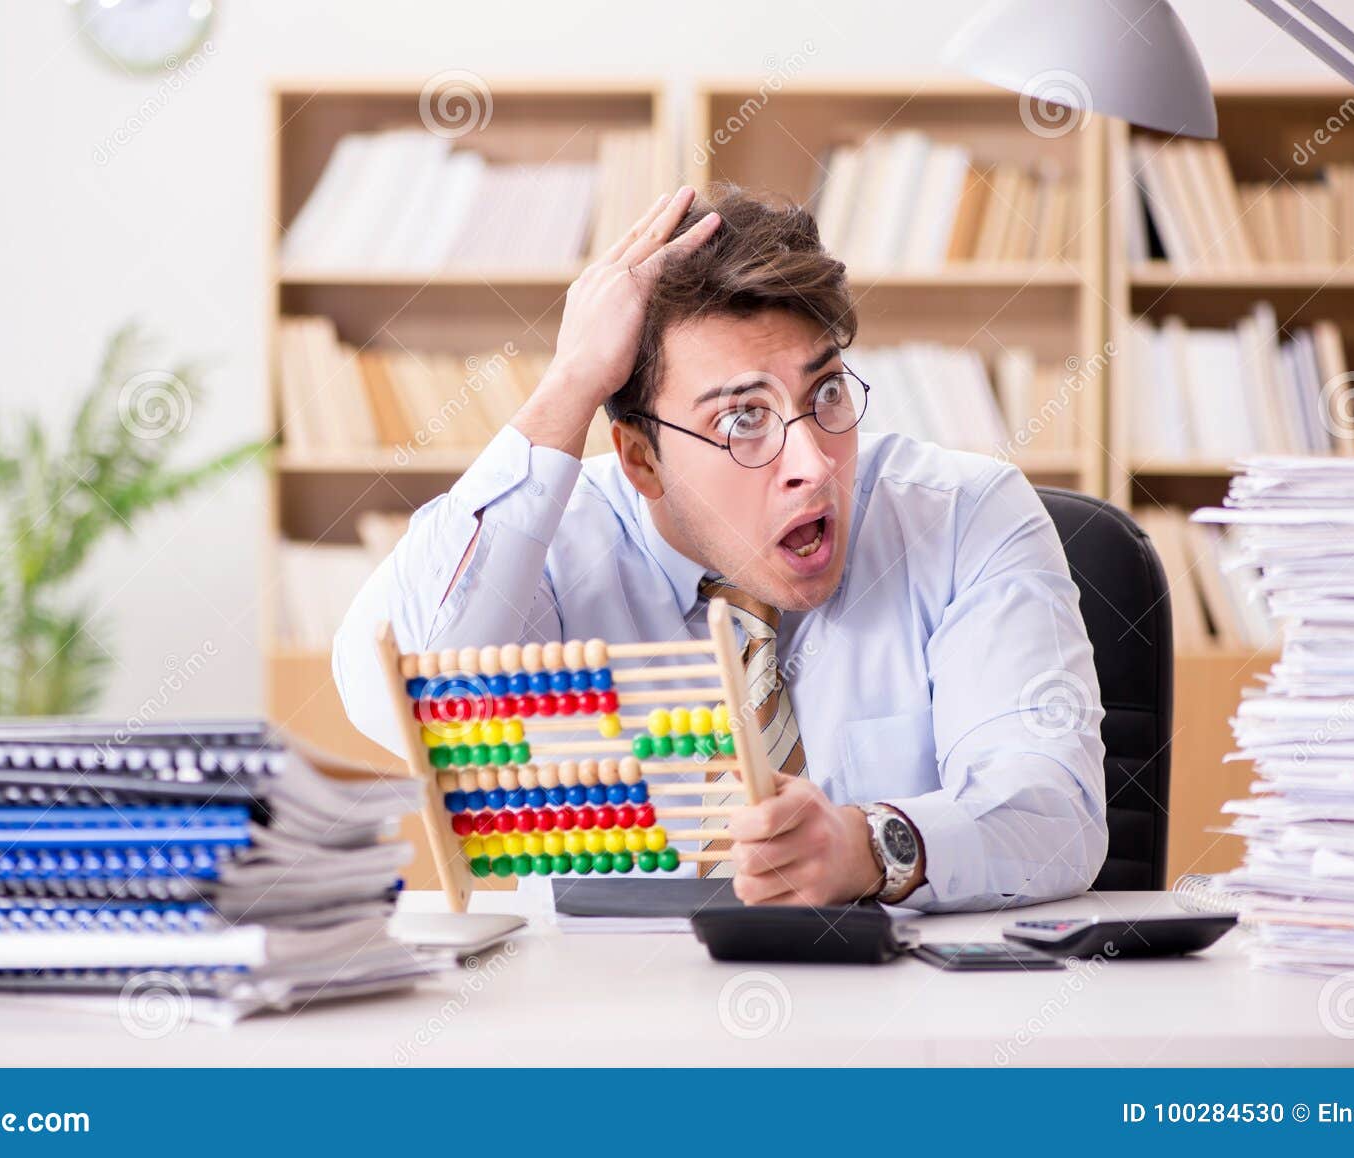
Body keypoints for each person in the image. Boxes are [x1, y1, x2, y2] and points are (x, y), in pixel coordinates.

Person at [336, 184, 1107, 912]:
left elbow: (1056, 811)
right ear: (641, 460)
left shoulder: (965, 516)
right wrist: (569, 384)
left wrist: (866, 845)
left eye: (826, 394)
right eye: (743, 419)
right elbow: (406, 699)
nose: (811, 462)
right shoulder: (551, 549)